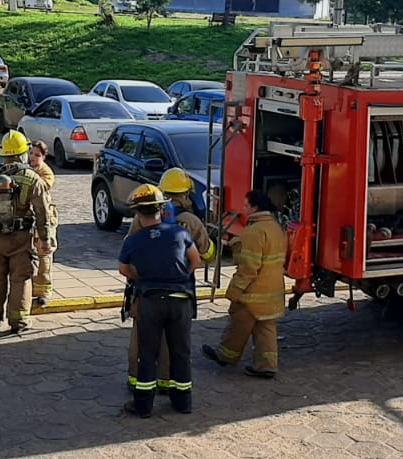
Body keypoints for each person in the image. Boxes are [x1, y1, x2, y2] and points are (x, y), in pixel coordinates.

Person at [118, 185, 201, 417]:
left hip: (151, 301)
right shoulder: (180, 234)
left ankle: (143, 406)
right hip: (180, 300)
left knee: (148, 353)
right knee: (181, 352)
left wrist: (141, 277)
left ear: (138, 213)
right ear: (161, 210)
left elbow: (123, 268)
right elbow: (196, 261)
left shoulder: (134, 240)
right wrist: (182, 276)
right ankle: (183, 403)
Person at [127, 168, 214, 384]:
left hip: (145, 289)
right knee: (171, 337)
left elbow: (128, 253)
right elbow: (207, 254)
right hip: (178, 291)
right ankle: (166, 380)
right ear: (186, 194)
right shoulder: (191, 221)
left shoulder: (142, 218)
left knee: (141, 334)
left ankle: (136, 379)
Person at [0, 130, 54, 334]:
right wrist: (45, 238)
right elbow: (42, 211)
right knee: (21, 278)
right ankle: (18, 321)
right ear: (23, 153)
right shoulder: (32, 179)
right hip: (21, 239)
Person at [203, 189, 287, 379]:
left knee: (239, 321)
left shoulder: (254, 231)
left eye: (246, 205)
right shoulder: (276, 227)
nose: (243, 208)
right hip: (273, 290)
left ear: (255, 208)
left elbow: (249, 268)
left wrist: (234, 291)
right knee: (265, 327)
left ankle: (225, 356)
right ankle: (267, 365)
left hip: (253, 293)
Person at [28, 139, 58, 310]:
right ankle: (31, 288)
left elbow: (42, 187)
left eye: (37, 155)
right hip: (30, 219)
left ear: (44, 157)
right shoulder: (29, 170)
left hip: (45, 219)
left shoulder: (46, 173)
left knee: (44, 254)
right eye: (31, 154)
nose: (33, 158)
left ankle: (44, 292)